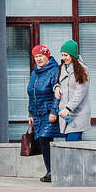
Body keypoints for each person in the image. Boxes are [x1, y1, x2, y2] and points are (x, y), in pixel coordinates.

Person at [26, 43, 61, 182]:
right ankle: (50, 171)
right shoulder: (34, 73)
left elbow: (56, 93)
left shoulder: (54, 71)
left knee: (45, 139)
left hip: (48, 112)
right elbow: (30, 93)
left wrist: (54, 110)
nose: (38, 59)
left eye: (41, 56)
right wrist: (30, 113)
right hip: (37, 113)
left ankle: (53, 171)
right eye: (36, 56)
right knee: (42, 141)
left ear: (47, 56)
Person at [55, 40, 91, 142]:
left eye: (66, 55)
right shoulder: (62, 67)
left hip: (78, 114)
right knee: (71, 149)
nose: (63, 58)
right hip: (65, 115)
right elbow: (57, 81)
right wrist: (56, 88)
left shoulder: (83, 69)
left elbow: (80, 93)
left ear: (73, 55)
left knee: (71, 145)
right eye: (62, 55)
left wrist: (68, 109)